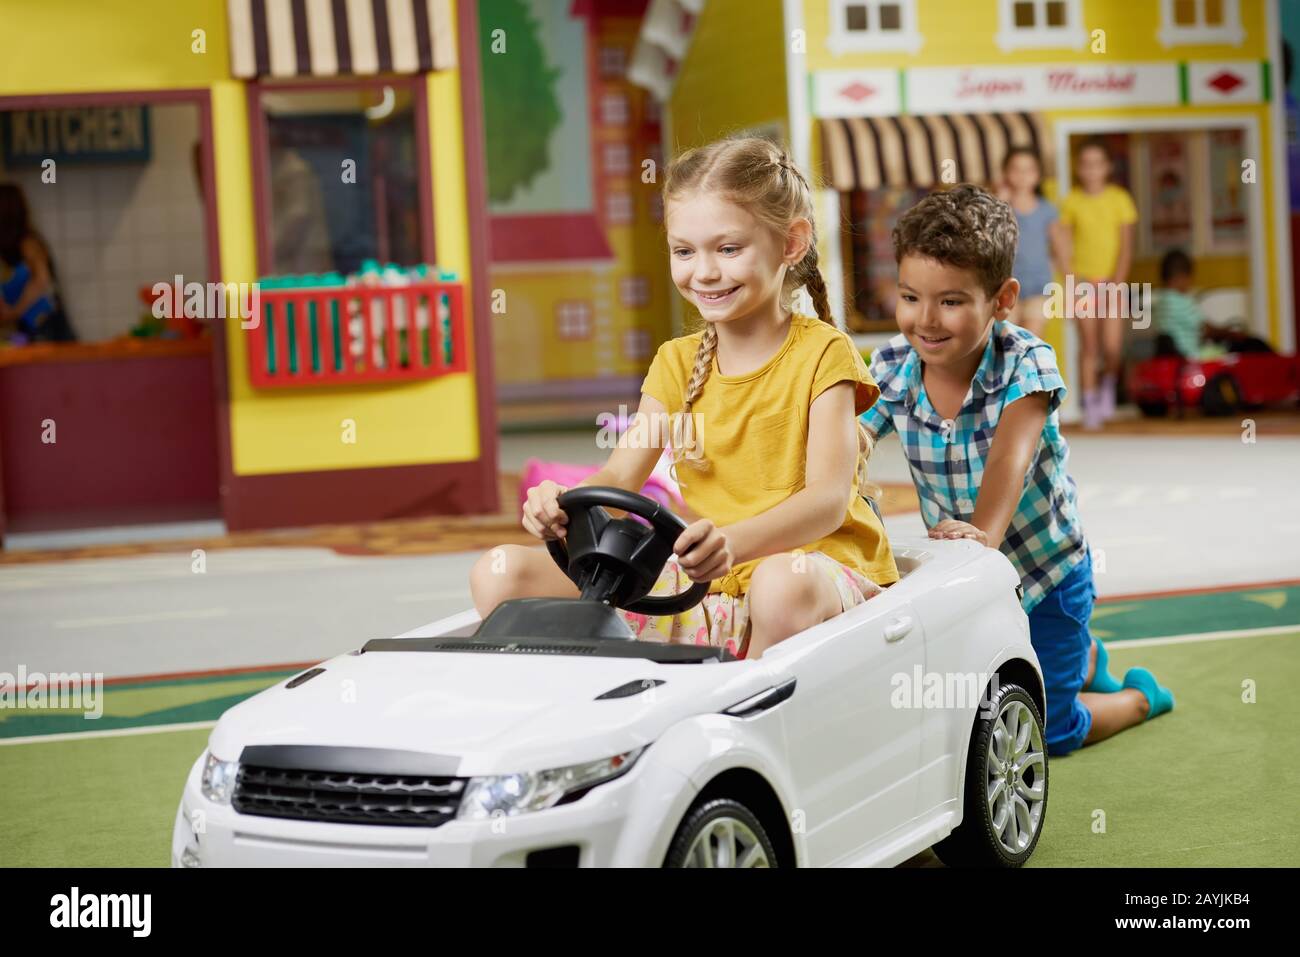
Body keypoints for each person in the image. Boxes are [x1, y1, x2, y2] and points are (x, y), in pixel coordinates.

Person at [470, 136, 899, 660]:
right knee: (499, 573)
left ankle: (746, 714)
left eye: (728, 248)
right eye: (684, 251)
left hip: (810, 571)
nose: (704, 272)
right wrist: (559, 501)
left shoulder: (823, 353)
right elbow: (617, 479)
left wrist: (731, 545)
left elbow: (826, 503)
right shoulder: (676, 361)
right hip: (709, 576)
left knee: (779, 584)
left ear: (791, 244)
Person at [861, 184, 1173, 757]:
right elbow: (853, 435)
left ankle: (1139, 698)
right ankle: (1086, 657)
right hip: (973, 580)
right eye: (910, 296)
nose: (925, 320)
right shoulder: (890, 367)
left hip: (1047, 573)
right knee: (975, 706)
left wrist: (984, 534)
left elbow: (1012, 456)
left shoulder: (1026, 361)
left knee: (1049, 732)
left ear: (1003, 299)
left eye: (951, 302)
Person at [1058, 138, 1138, 429]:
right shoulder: (1071, 202)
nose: (1091, 170)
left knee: (1113, 347)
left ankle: (1107, 388)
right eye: (1086, 164)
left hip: (1112, 282)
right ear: (1079, 169)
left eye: (1097, 164)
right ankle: (1090, 403)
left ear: (1107, 168)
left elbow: (1126, 247)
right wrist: (1071, 282)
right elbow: (1064, 247)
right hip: (1082, 283)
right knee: (1089, 346)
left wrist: (1116, 283)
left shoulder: (1120, 199)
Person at [1153, 249, 1273, 359]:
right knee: (1240, 351)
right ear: (1182, 277)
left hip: (1176, 356)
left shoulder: (1160, 302)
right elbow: (1206, 329)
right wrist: (1228, 332)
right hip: (1192, 355)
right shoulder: (1183, 302)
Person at [998, 147, 1065, 338]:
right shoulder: (1000, 208)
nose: (1022, 175)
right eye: (1016, 169)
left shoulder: (1047, 210)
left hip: (1039, 287)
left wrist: (1070, 287)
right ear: (1006, 173)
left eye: (1028, 170)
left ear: (1038, 175)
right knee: (1007, 342)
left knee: (1029, 344)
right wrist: (1000, 203)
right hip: (1006, 287)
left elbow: (1060, 250)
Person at [0, 183, 75, 343]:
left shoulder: (28, 242)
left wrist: (15, 312)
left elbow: (41, 280)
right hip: (28, 327)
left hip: (47, 326)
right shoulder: (9, 249)